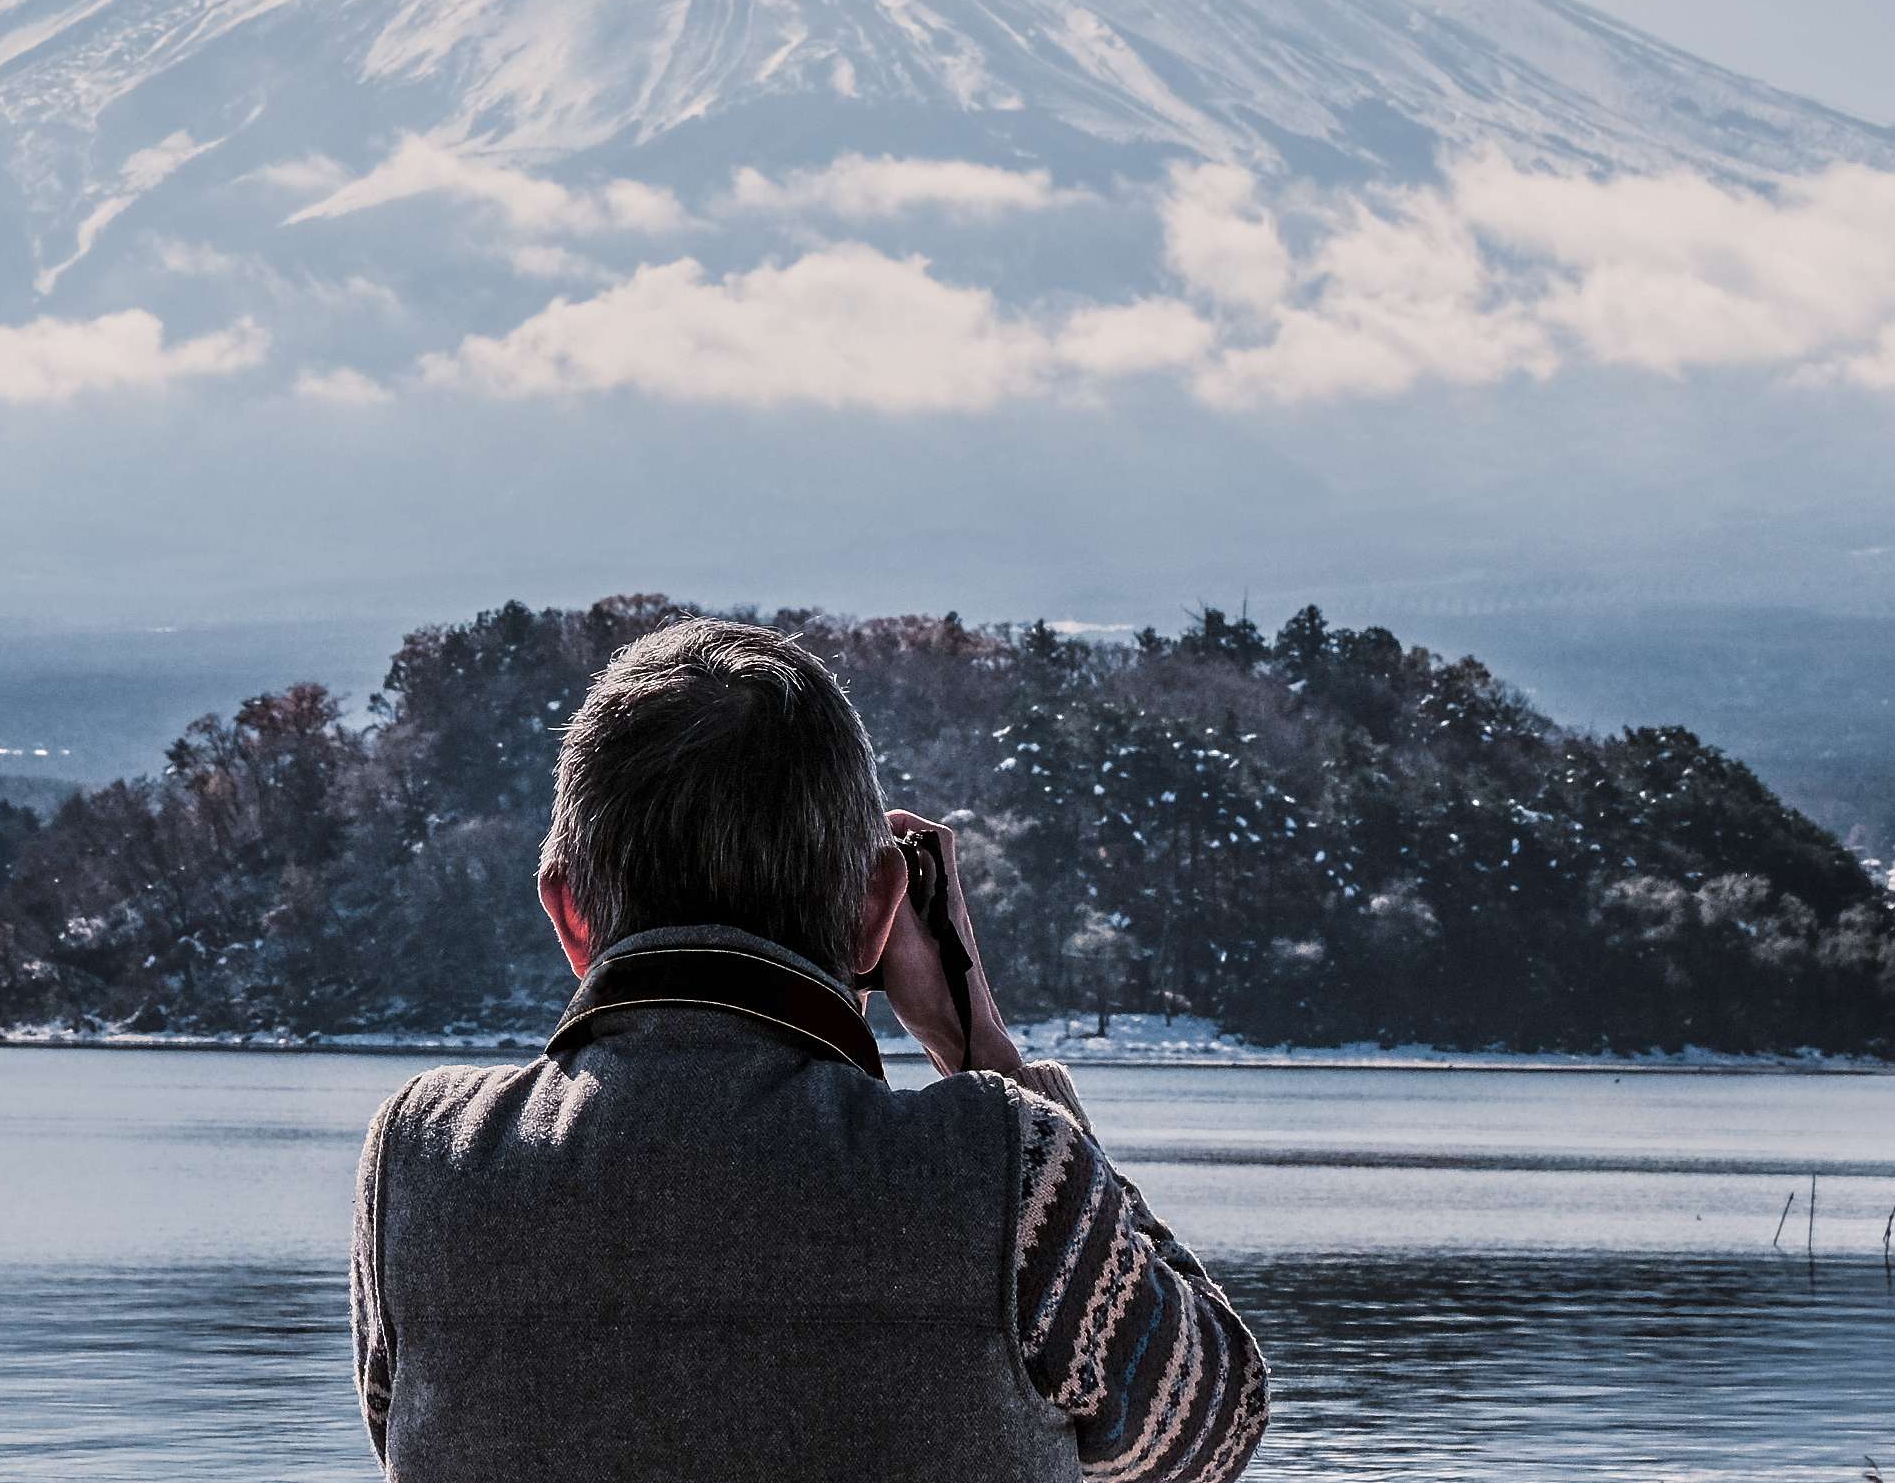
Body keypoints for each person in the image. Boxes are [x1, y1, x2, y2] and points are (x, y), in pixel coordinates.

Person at [349, 617, 1268, 1482]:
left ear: (568, 913)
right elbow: (1210, 1433)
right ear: (878, 910)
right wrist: (978, 1044)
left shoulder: (421, 1157)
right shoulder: (1004, 1170)